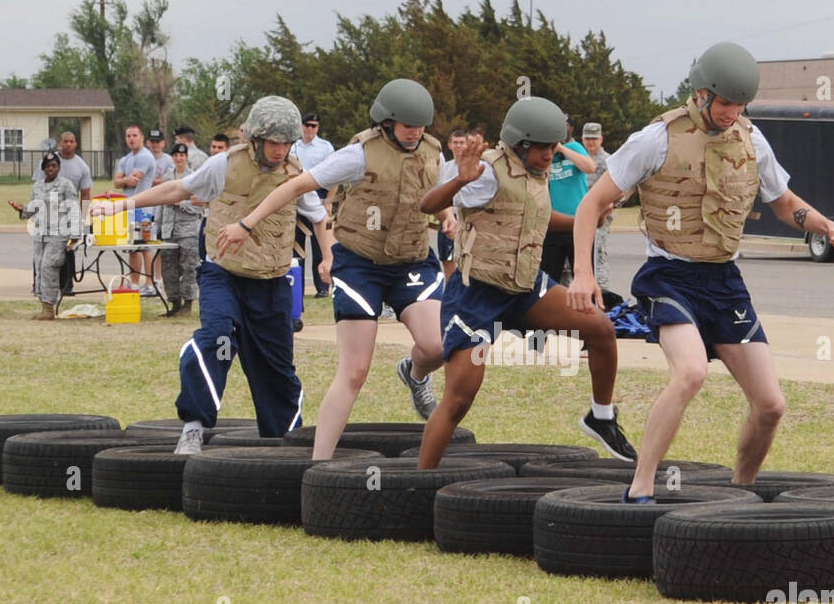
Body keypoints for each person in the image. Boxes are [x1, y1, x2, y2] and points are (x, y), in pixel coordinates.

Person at [569, 42, 834, 502]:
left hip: (723, 281)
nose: (732, 112)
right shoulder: (655, 139)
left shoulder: (751, 139)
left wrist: (825, 226)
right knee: (691, 373)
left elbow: (783, 203)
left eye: (740, 104)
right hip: (669, 276)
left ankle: (740, 493)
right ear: (700, 94)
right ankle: (640, 487)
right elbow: (591, 205)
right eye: (725, 102)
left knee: (771, 405)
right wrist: (583, 274)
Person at [415, 97, 637, 468]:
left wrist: (590, 219)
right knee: (458, 400)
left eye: (554, 146)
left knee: (599, 327)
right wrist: (457, 181)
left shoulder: (537, 171)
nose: (550, 154)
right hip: (477, 293)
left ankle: (601, 416)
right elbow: (427, 205)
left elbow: (539, 217)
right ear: (520, 144)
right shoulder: (486, 173)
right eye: (543, 147)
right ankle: (420, 483)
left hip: (525, 287)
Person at [246, 80, 449, 458]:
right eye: (408, 125)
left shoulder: (433, 152)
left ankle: (415, 375)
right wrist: (247, 223)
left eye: (421, 125)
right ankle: (319, 464)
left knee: (437, 346)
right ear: (387, 122)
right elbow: (297, 186)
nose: (416, 132)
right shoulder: (358, 155)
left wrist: (449, 215)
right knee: (355, 371)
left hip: (412, 260)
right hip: (360, 264)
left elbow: (436, 196)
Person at [126, 96, 331, 452]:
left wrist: (328, 256)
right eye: (273, 142)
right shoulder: (224, 165)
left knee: (277, 369)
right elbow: (179, 188)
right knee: (217, 339)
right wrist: (124, 204)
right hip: (224, 275)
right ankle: (194, 424)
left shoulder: (297, 175)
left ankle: (281, 443)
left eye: (287, 142)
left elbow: (319, 218)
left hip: (273, 282)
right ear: (255, 138)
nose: (281, 150)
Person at [7, 151, 80, 320]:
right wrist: (22, 209)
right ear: (43, 169)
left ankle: (49, 307)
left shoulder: (66, 185)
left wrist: (75, 234)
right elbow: (34, 209)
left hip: (58, 233)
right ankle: (43, 305)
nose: (50, 169)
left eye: (54, 166)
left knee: (49, 266)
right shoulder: (37, 186)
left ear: (59, 168)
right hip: (40, 234)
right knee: (39, 267)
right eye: (47, 167)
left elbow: (74, 209)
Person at [538, 116, 596, 287]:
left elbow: (589, 167)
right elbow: (542, 182)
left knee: (584, 273)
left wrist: (562, 149)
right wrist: (550, 155)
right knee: (548, 277)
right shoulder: (545, 155)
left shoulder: (575, 147)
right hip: (553, 225)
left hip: (578, 224)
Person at [289, 112, 335, 300]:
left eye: (313, 126)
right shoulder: (292, 146)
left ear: (318, 128)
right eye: (307, 125)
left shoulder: (325, 147)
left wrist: (329, 201)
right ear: (301, 126)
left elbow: (334, 175)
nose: (309, 129)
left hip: (318, 193)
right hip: (294, 195)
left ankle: (322, 286)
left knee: (320, 243)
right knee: (296, 244)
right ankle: (295, 285)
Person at [157, 142, 204, 317]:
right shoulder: (167, 177)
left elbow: (199, 205)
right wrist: (158, 226)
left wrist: (181, 204)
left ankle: (188, 302)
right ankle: (174, 302)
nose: (179, 158)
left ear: (187, 157)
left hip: (188, 229)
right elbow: (160, 202)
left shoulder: (193, 177)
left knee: (189, 267)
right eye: (176, 155)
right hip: (169, 229)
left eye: (182, 156)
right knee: (169, 268)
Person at [112, 125, 157, 293]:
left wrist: (123, 179)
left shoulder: (145, 157)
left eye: (135, 135)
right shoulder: (125, 159)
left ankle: (151, 285)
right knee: (132, 247)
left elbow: (134, 180)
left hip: (144, 207)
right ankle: (135, 283)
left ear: (142, 137)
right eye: (128, 135)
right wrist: (124, 179)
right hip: (129, 207)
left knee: (146, 247)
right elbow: (116, 182)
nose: (131, 138)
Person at [53, 131, 93, 296]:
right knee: (46, 249)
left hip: (70, 213)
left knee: (68, 249)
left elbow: (85, 194)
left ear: (75, 144)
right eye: (65, 141)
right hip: (50, 212)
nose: (68, 144)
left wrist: (83, 218)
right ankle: (42, 284)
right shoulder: (50, 162)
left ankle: (67, 285)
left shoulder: (82, 166)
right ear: (60, 143)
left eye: (71, 141)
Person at [580, 122, 617, 290]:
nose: (591, 142)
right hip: (580, 213)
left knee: (597, 249)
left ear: (601, 139)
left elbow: (618, 188)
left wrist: (608, 208)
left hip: (601, 214)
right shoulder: (579, 158)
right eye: (588, 138)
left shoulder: (608, 161)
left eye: (594, 139)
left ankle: (601, 288)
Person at [435, 128, 468, 281]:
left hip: (467, 217)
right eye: (455, 142)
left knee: (466, 260)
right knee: (447, 260)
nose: (459, 146)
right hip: (448, 216)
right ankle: (450, 295)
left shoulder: (475, 167)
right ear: (449, 145)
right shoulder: (444, 168)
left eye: (462, 143)